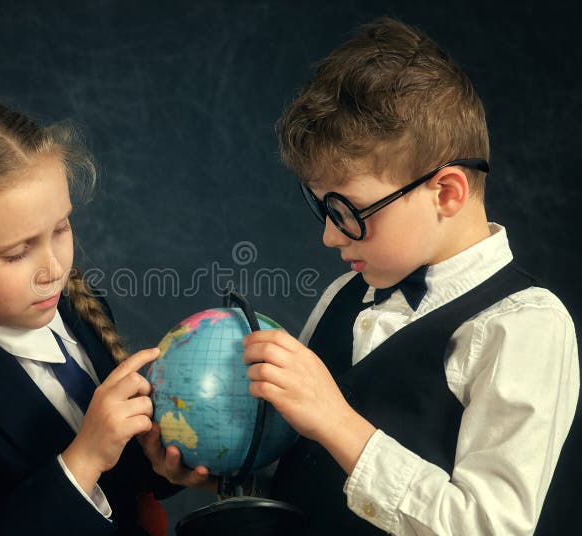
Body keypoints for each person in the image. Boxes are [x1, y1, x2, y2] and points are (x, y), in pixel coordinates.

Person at [241, 17, 580, 535]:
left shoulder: (526, 326)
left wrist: (338, 422)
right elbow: (297, 474)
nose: (330, 237)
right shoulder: (343, 295)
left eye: (348, 209)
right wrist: (226, 469)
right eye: (321, 207)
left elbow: (490, 526)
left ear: (446, 192)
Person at [0, 97, 207, 535]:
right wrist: (81, 461)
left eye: (61, 229)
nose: (53, 269)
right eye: (16, 252)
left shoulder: (82, 309)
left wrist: (161, 467)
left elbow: (125, 491)